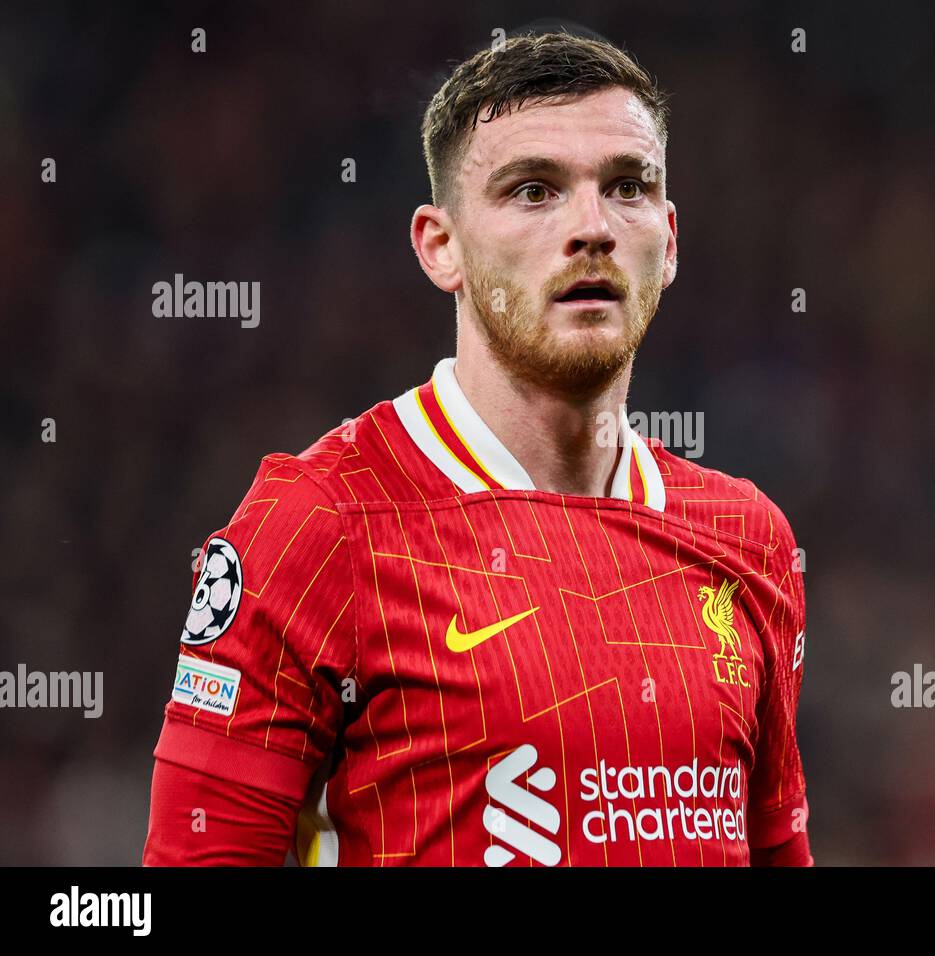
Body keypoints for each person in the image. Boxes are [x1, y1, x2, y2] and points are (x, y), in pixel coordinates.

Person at [143, 30, 811, 866]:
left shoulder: (749, 537)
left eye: (627, 187)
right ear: (440, 246)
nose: (592, 227)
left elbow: (778, 847)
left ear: (669, 240)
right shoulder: (321, 526)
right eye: (534, 191)